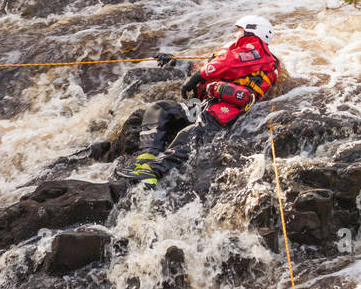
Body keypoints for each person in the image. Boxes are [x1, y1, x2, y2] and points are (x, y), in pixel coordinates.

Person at [115, 16, 280, 187]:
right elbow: (208, 66)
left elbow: (220, 66)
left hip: (226, 110)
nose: (235, 35)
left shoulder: (257, 51)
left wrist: (196, 78)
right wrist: (175, 62)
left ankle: (152, 172)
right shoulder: (237, 53)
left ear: (252, 31)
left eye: (239, 30)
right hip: (205, 105)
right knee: (160, 109)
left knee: (190, 135)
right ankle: (144, 160)